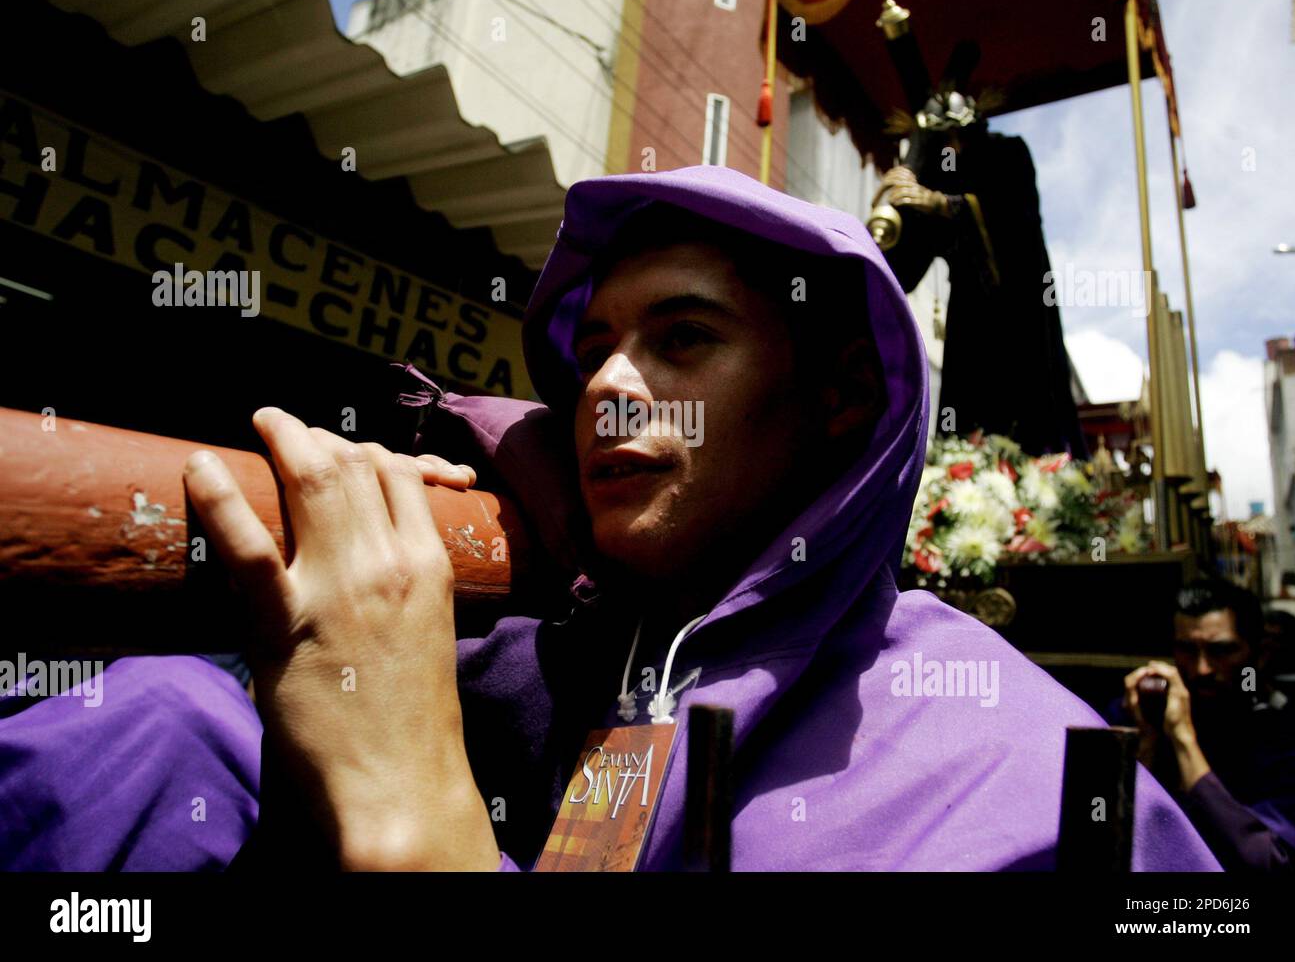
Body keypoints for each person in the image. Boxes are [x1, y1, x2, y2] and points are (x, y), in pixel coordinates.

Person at [1, 166, 1217, 871]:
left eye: (682, 337)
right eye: (591, 349)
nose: (608, 386)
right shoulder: (494, 656)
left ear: (843, 394)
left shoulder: (1025, 782)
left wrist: (416, 821)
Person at [873, 86, 1089, 459]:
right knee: (968, 427)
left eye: (955, 137)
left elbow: (1017, 219)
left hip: (1023, 308)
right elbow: (906, 269)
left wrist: (943, 204)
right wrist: (901, 203)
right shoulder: (942, 174)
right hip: (969, 321)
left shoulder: (1009, 153)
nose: (952, 148)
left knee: (1031, 419)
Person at [1116, 579, 1295, 871]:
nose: (1202, 669)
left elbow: (1268, 860)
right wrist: (1145, 744)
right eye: (1187, 650)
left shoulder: (1284, 736)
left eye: (1221, 651)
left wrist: (1184, 741)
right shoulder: (1144, 715)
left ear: (1258, 654)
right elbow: (1106, 836)